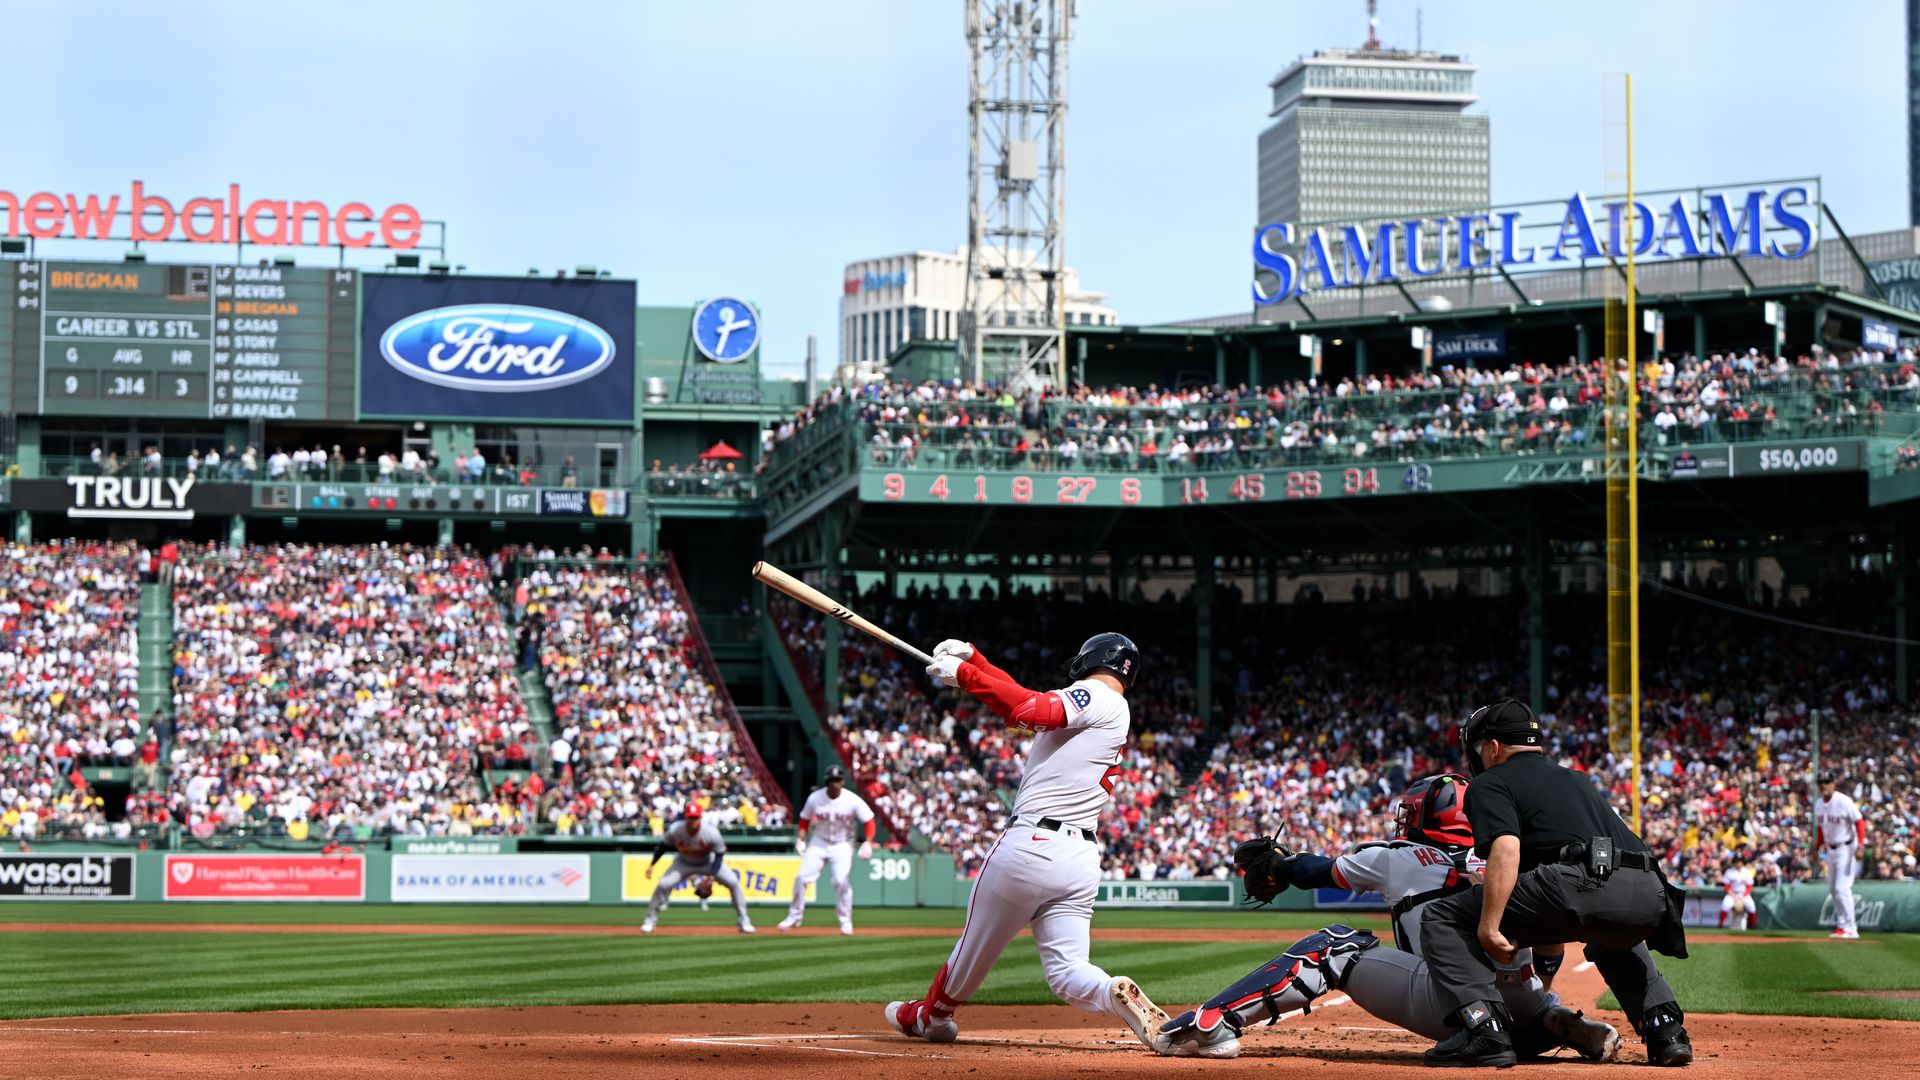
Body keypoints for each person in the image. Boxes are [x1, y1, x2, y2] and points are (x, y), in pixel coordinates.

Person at [1151, 774, 1617, 1062]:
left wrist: (1281, 865)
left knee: (1336, 945)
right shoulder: (1509, 856)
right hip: (1526, 1007)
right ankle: (1559, 1020)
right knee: (1527, 983)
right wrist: (1542, 990)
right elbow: (1553, 941)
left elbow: (1320, 871)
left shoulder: (1401, 855)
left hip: (1456, 1007)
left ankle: (1209, 1024)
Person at [884, 633, 1167, 1049]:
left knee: (975, 944)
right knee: (1069, 971)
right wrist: (976, 660)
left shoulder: (1095, 694)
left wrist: (965, 675)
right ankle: (1111, 991)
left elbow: (1027, 708)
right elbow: (1025, 699)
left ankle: (932, 1016)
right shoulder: (1115, 708)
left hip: (1033, 844)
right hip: (1081, 857)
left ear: (1092, 659)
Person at [1416, 699, 1692, 1068]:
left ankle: (1485, 1033)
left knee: (1442, 917)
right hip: (1651, 894)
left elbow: (1506, 848)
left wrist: (1489, 924)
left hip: (1575, 887)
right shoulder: (1576, 778)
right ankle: (1666, 1031)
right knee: (1610, 929)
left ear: (1493, 747)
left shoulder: (1491, 782)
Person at [779, 764, 876, 935]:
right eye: (831, 780)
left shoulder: (852, 800)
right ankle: (794, 917)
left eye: (837, 780)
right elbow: (804, 819)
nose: (834, 783)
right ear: (826, 781)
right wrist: (801, 838)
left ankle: (845, 921)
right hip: (819, 842)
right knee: (801, 877)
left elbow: (869, 820)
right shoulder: (815, 798)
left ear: (842, 781)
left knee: (840, 880)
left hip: (843, 844)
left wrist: (868, 842)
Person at [641, 803, 754, 934]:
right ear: (685, 817)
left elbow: (719, 855)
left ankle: (744, 921)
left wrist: (711, 877)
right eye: (690, 817)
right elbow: (663, 846)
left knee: (733, 883)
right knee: (663, 884)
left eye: (695, 817)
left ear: (700, 817)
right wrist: (652, 864)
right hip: (683, 862)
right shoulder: (676, 829)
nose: (693, 820)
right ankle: (650, 920)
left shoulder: (710, 832)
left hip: (708, 861)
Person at [1815, 773, 1866, 939]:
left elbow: (1860, 821)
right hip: (1831, 849)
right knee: (1832, 889)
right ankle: (1842, 926)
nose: (1824, 785)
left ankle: (1851, 928)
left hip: (1847, 847)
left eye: (1827, 782)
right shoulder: (1818, 805)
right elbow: (1821, 830)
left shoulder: (1843, 801)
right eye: (1821, 782)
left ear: (1833, 784)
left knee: (1841, 888)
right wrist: (1816, 849)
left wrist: (1860, 846)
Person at [1720, 853, 1757, 931]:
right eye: (1736, 861)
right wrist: (1733, 896)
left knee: (1752, 907)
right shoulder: (1729, 871)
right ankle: (1720, 925)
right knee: (1725, 906)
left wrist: (1743, 896)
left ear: (1743, 862)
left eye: (1740, 861)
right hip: (1732, 893)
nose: (1738, 863)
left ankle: (1753, 927)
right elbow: (1726, 886)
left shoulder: (1747, 872)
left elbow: (1750, 886)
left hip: (1744, 894)